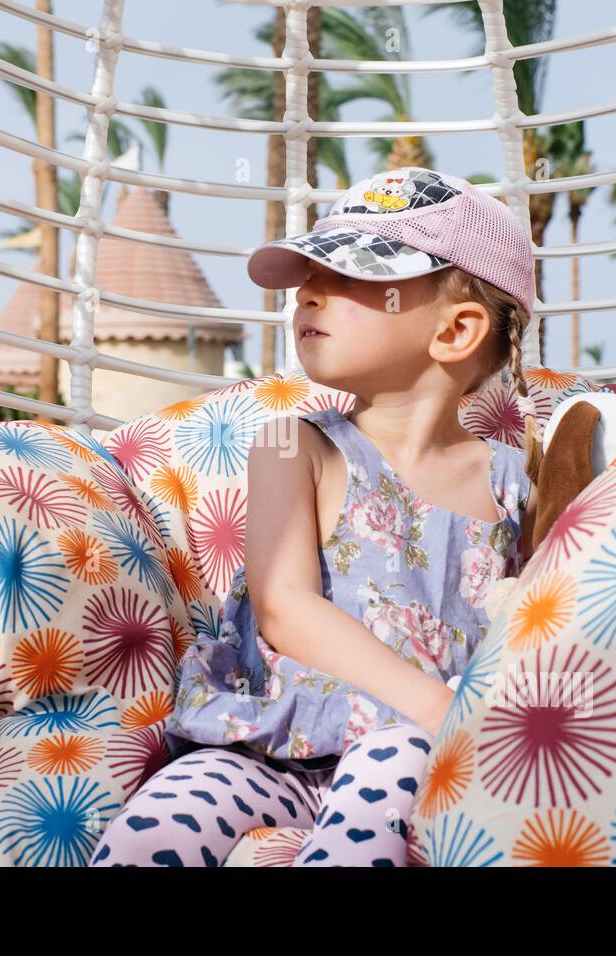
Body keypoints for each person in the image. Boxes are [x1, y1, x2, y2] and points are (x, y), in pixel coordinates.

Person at [89, 167, 540, 867]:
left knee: (374, 813)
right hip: (269, 740)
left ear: (456, 329)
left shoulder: (514, 481)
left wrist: (454, 723)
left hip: (413, 748)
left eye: (353, 276)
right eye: (307, 273)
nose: (308, 293)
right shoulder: (291, 442)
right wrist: (434, 705)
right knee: (160, 826)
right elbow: (284, 605)